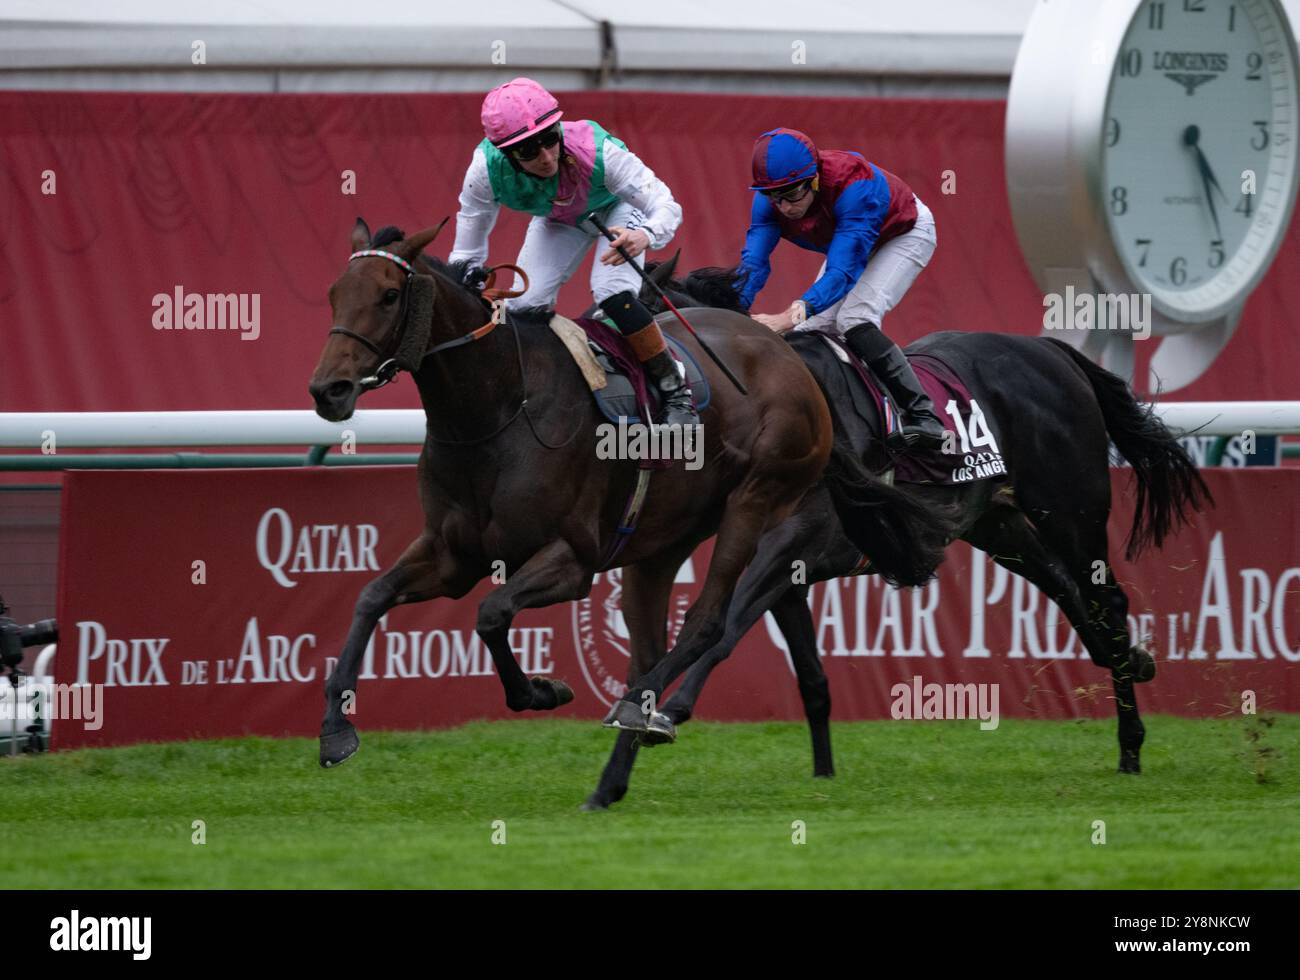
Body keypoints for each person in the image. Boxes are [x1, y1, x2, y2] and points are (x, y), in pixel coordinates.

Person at [448, 77, 696, 426]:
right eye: (528, 151)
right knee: (522, 305)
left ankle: (675, 391)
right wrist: (467, 282)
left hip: (618, 210)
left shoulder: (598, 151)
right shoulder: (483, 172)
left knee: (611, 291)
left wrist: (644, 235)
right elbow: (466, 252)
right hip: (560, 217)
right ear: (504, 153)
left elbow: (664, 204)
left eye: (550, 139)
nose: (546, 157)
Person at [737, 127, 945, 450]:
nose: (785, 208)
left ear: (815, 179)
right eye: (775, 198)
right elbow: (754, 264)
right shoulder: (770, 200)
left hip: (904, 233)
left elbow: (842, 273)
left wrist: (784, 318)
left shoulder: (853, 187)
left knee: (855, 318)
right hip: (850, 243)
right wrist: (735, 308)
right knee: (811, 327)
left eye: (792, 195)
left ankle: (923, 414)